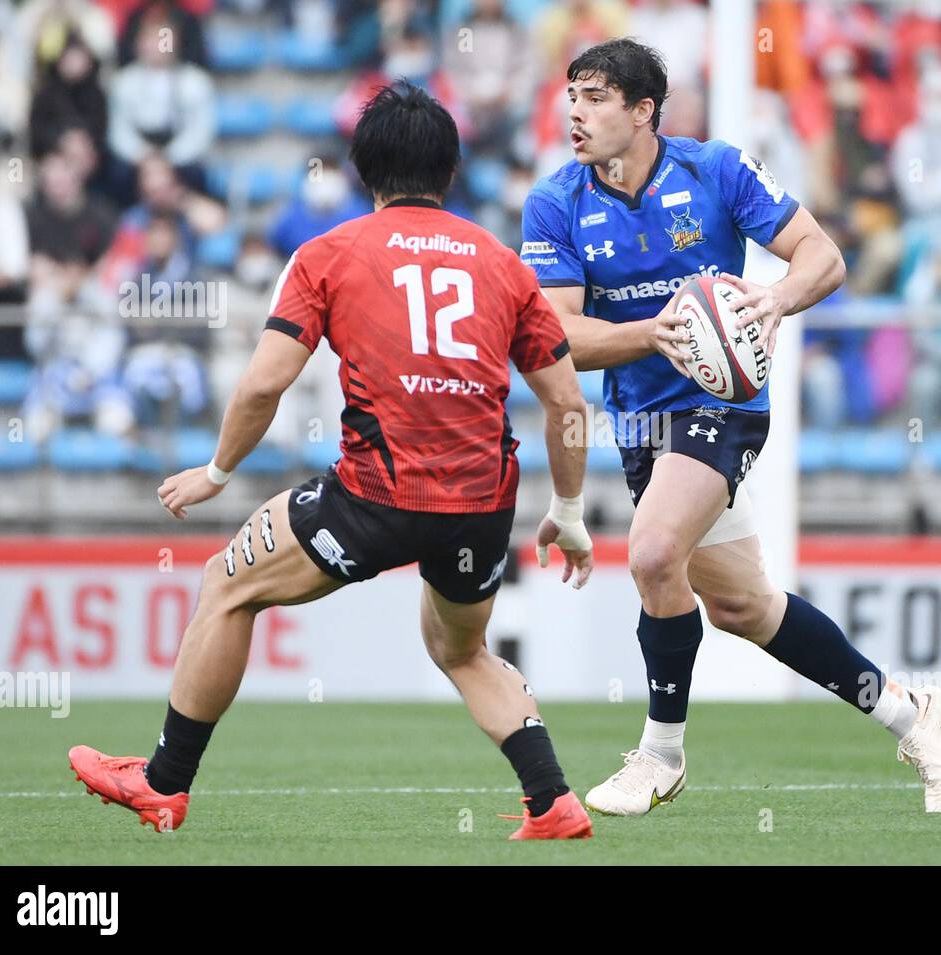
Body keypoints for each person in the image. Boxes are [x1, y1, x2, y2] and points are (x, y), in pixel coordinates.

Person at [68, 83, 597, 841]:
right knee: (462, 648)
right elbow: (569, 405)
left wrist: (216, 473)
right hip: (482, 501)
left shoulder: (328, 253)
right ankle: (552, 799)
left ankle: (163, 783)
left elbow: (264, 381)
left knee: (226, 584)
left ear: (361, 170)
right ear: (450, 171)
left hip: (376, 495)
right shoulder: (502, 264)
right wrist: (570, 512)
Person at [520, 38, 941, 816]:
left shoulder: (715, 169)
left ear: (643, 109)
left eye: (595, 97)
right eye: (572, 97)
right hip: (644, 423)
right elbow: (559, 339)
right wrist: (661, 331)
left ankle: (660, 753)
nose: (577, 113)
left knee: (656, 553)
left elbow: (821, 256)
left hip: (721, 405)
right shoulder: (556, 201)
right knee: (744, 607)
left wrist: (775, 300)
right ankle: (910, 711)